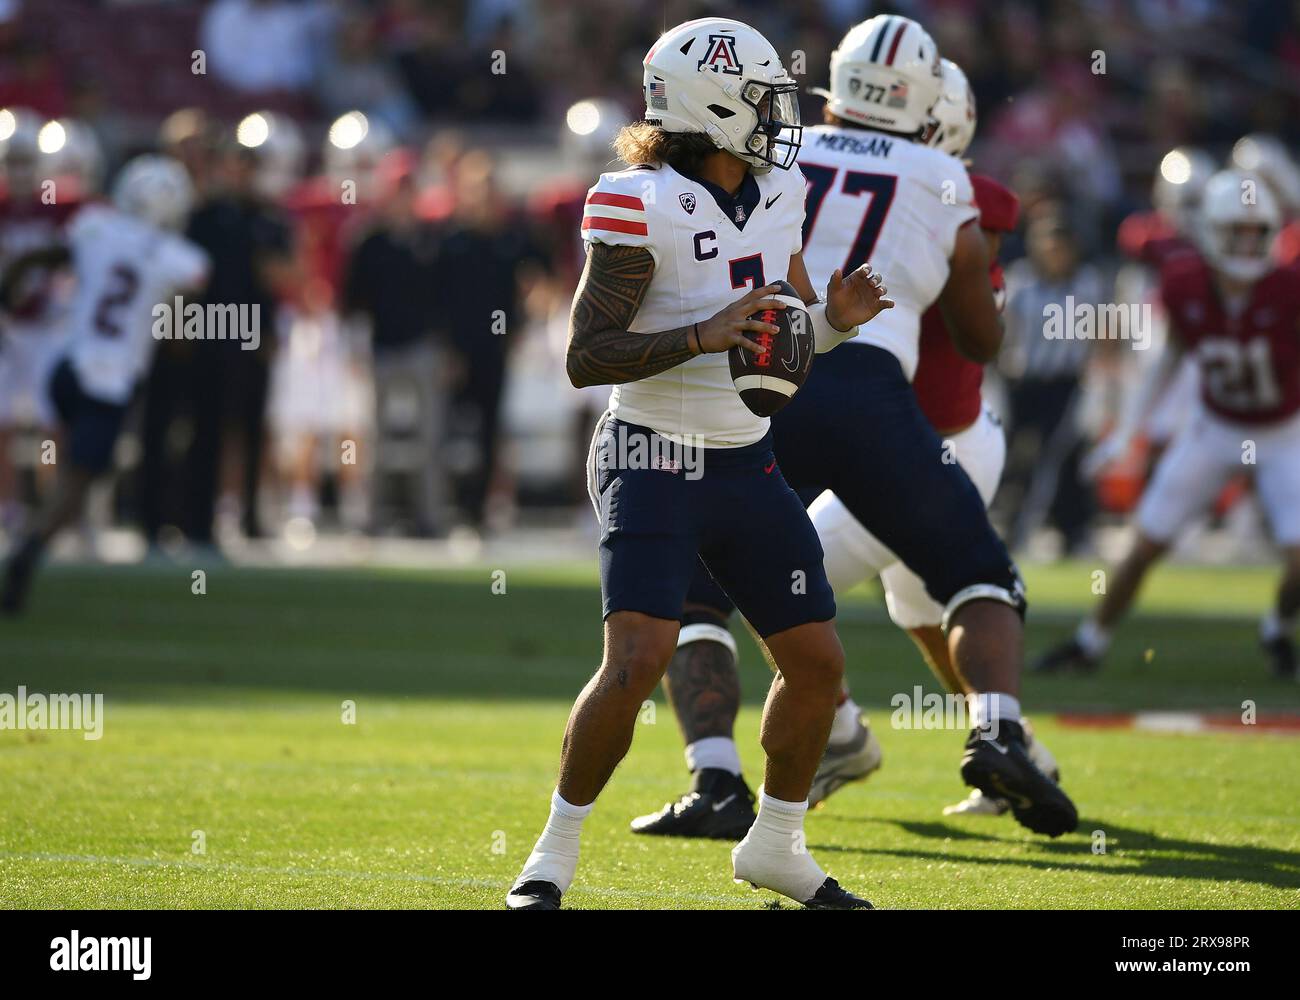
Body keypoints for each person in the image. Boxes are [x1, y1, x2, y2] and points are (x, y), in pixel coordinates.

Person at [629, 18, 1078, 844]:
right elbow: (982, 340)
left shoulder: (777, 153)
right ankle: (1001, 729)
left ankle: (721, 778)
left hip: (765, 375)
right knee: (977, 572)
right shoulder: (946, 176)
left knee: (699, 585)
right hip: (871, 391)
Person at [506, 17, 891, 912]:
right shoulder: (633, 199)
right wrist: (698, 336)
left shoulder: (781, 186)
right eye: (759, 102)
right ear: (709, 108)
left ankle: (778, 846)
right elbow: (586, 354)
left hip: (745, 455)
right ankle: (551, 857)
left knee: (819, 664)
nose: (776, 119)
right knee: (638, 657)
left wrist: (831, 321)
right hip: (648, 450)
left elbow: (786, 325)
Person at [1036, 169, 1300, 679]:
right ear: (1210, 231)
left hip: (1282, 429)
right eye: (1236, 231)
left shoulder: (1288, 288)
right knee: (1145, 544)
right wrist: (1128, 429)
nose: (1247, 243)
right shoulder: (1185, 285)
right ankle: (1090, 643)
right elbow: (1171, 357)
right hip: (1215, 426)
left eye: (1256, 232)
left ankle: (1277, 627)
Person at [1, 156, 209, 613]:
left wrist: (7, 291)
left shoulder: (94, 226)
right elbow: (179, 340)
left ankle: (36, 524)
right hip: (108, 383)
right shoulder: (180, 259)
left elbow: (43, 258)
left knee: (74, 465)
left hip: (66, 369)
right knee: (79, 483)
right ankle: (27, 551)